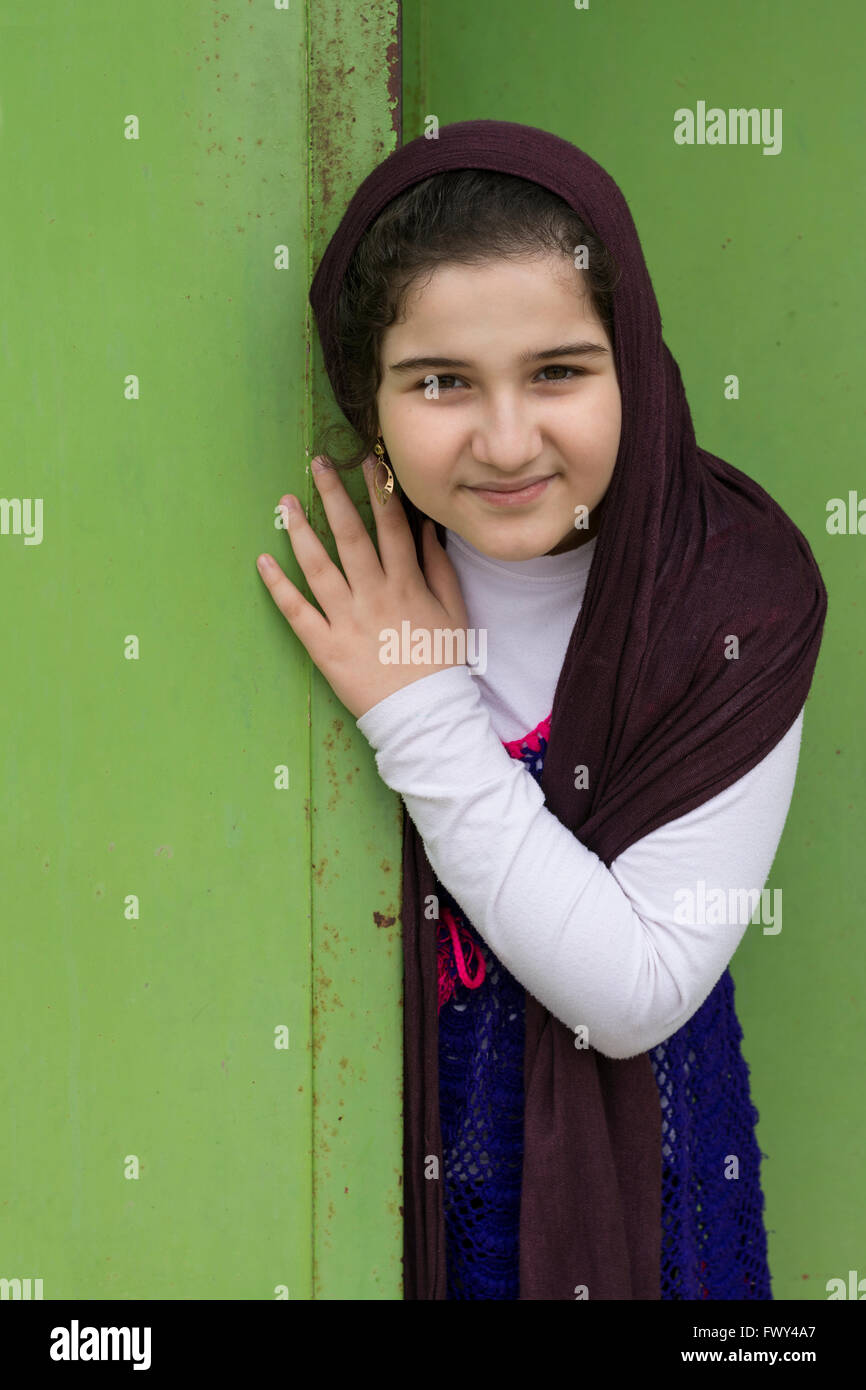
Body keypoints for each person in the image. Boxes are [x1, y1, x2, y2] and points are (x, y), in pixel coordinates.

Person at [256, 121, 827, 1300]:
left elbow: (635, 987)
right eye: (439, 382)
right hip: (347, 1187)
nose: (506, 439)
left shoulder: (727, 594)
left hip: (644, 1215)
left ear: (633, 360)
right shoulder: (334, 579)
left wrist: (419, 711)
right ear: (367, 400)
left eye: (558, 371)